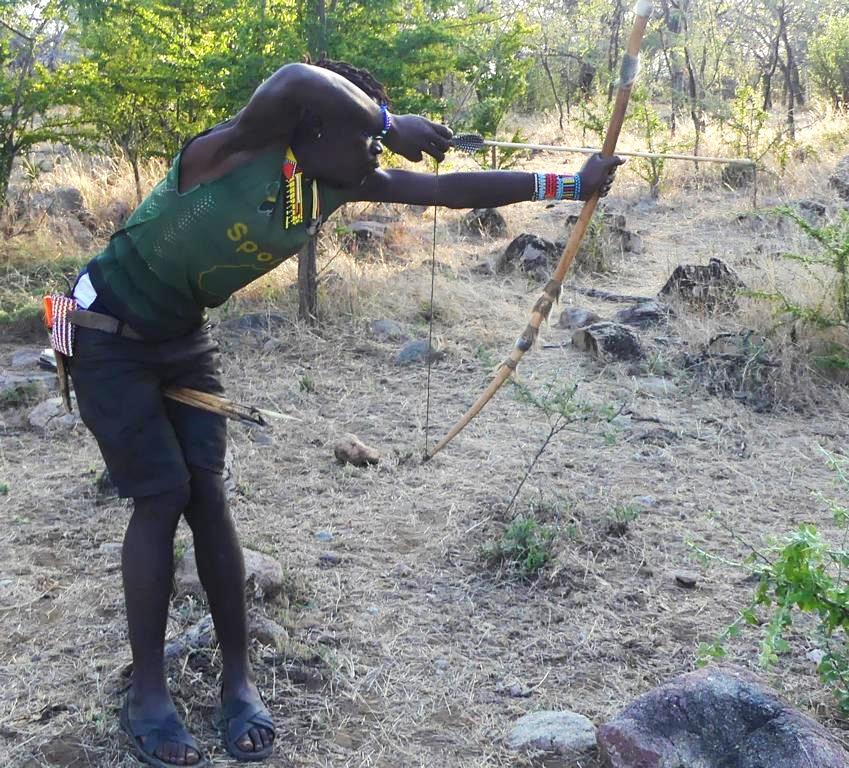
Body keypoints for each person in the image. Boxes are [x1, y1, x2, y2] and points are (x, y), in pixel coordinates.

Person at [65, 58, 622, 767]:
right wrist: (391, 122)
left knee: (208, 497)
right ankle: (147, 693)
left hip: (180, 341)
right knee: (161, 494)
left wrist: (570, 184)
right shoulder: (231, 149)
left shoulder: (334, 183)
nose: (374, 154)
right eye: (363, 136)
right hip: (103, 332)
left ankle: (237, 682)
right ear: (316, 128)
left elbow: (449, 192)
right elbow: (297, 76)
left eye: (375, 143)